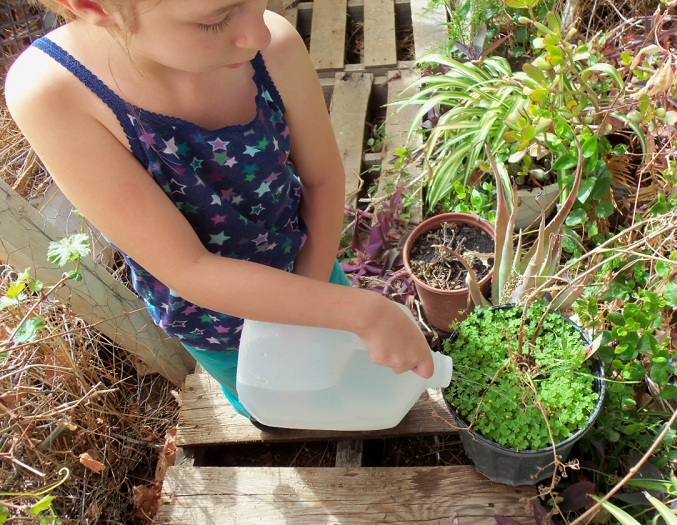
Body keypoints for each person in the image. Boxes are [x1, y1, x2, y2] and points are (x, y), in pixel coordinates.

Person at [5, 0, 435, 428]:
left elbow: (322, 182)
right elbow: (188, 267)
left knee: (341, 373)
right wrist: (364, 312)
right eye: (216, 19)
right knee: (276, 408)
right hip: (220, 328)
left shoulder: (274, 45)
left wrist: (321, 308)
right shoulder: (55, 92)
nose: (259, 33)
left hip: (308, 268)